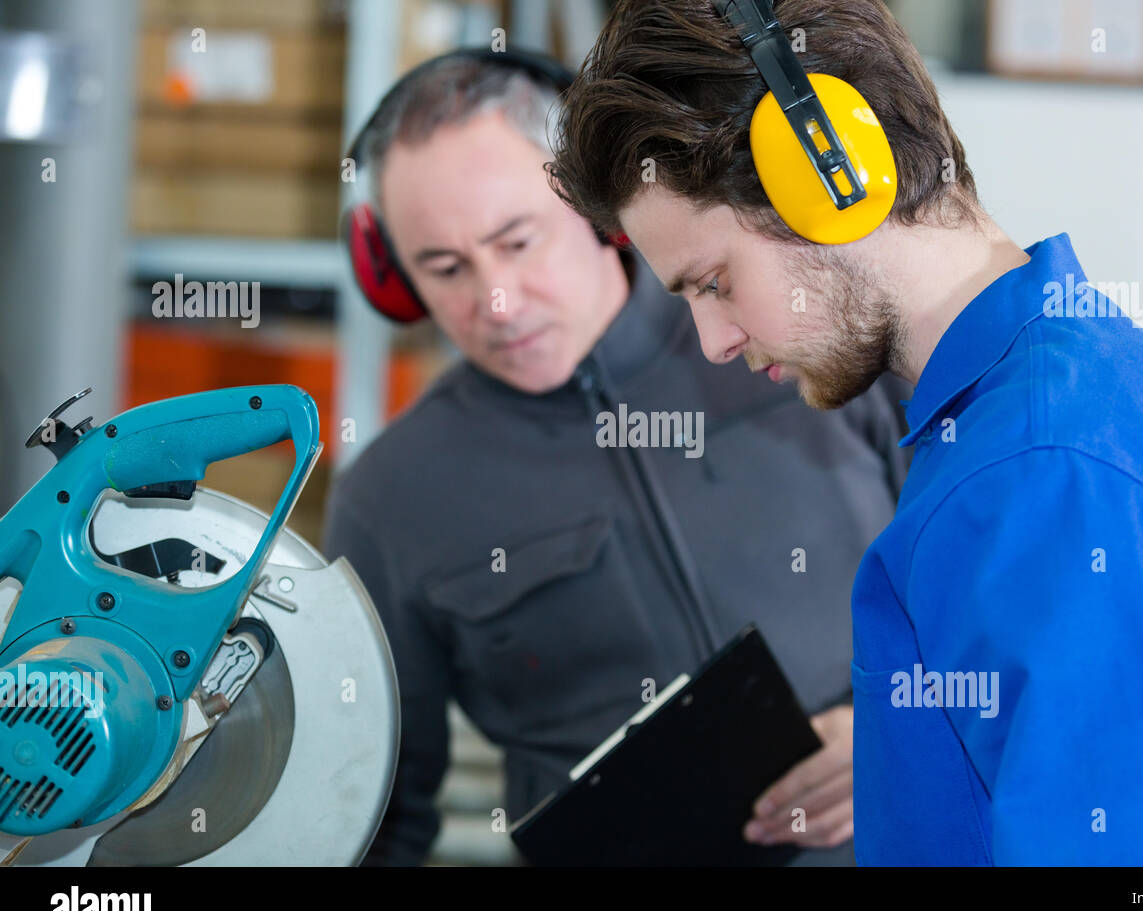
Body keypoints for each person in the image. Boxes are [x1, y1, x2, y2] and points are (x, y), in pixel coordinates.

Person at [546, 0, 1143, 865]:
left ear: (833, 175)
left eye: (714, 281)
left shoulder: (1044, 473)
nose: (714, 343)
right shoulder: (1029, 410)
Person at [321, 48, 914, 866]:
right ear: (393, 279)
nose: (497, 302)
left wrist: (899, 721)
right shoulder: (388, 499)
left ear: (600, 206)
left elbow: (1003, 601)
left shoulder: (795, 335)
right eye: (445, 268)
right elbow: (376, 821)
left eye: (517, 240)